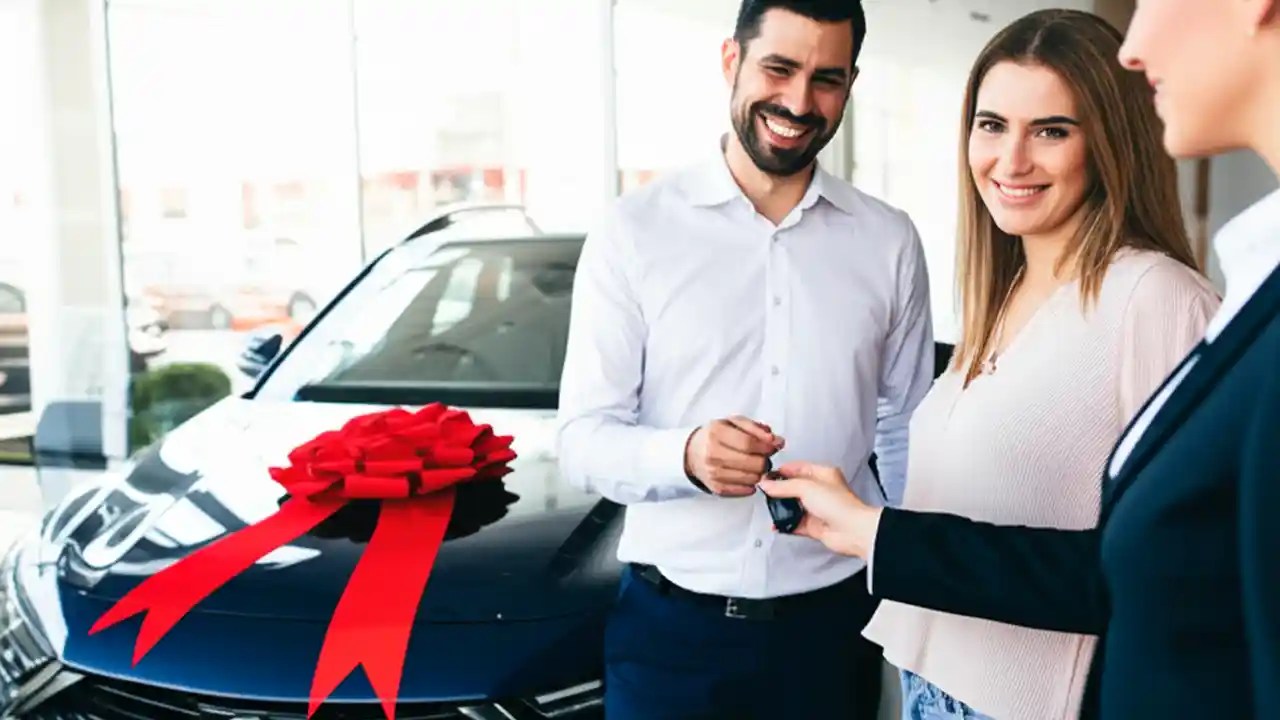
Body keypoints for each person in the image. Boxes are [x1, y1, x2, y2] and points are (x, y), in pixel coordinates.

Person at [759, 0, 1280, 717]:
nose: (1011, 161)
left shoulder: (1154, 298)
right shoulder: (1002, 293)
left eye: (1052, 131)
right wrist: (855, 519)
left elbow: (1167, 572)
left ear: (1107, 143)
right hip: (929, 685)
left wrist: (880, 533)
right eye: (992, 125)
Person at [555, 0, 935, 717]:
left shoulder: (889, 241)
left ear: (851, 84)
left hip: (834, 633)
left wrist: (913, 573)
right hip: (670, 639)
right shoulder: (633, 231)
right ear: (732, 61)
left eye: (826, 78)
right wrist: (686, 455)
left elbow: (906, 427)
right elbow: (581, 442)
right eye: (779, 68)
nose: (798, 102)